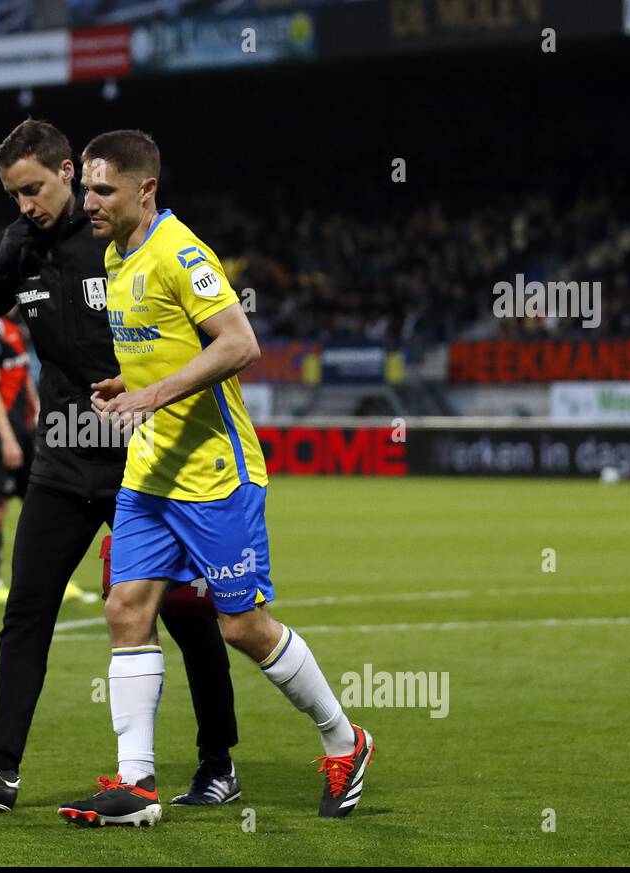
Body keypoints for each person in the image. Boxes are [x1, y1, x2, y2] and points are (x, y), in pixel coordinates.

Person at [0, 119, 241, 812]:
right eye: (13, 194)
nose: (25, 204)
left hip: (143, 457)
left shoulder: (120, 239)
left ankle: (217, 762)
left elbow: (187, 335)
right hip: (62, 459)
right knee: (27, 608)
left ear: (70, 173)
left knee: (185, 614)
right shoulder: (22, 247)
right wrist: (5, 250)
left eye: (33, 189)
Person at [57, 130, 373, 828]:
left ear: (147, 189)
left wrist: (153, 394)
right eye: (85, 188)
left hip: (213, 476)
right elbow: (162, 353)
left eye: (104, 189)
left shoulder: (181, 252)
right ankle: (136, 787)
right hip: (150, 474)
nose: (90, 201)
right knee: (125, 610)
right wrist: (128, 383)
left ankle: (345, 741)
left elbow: (240, 344)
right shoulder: (116, 255)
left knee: (242, 627)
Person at [0, 305, 96, 606]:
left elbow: (23, 373)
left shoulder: (15, 329)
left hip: (21, 427)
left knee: (45, 502)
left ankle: (55, 583)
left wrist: (38, 407)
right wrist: (7, 438)